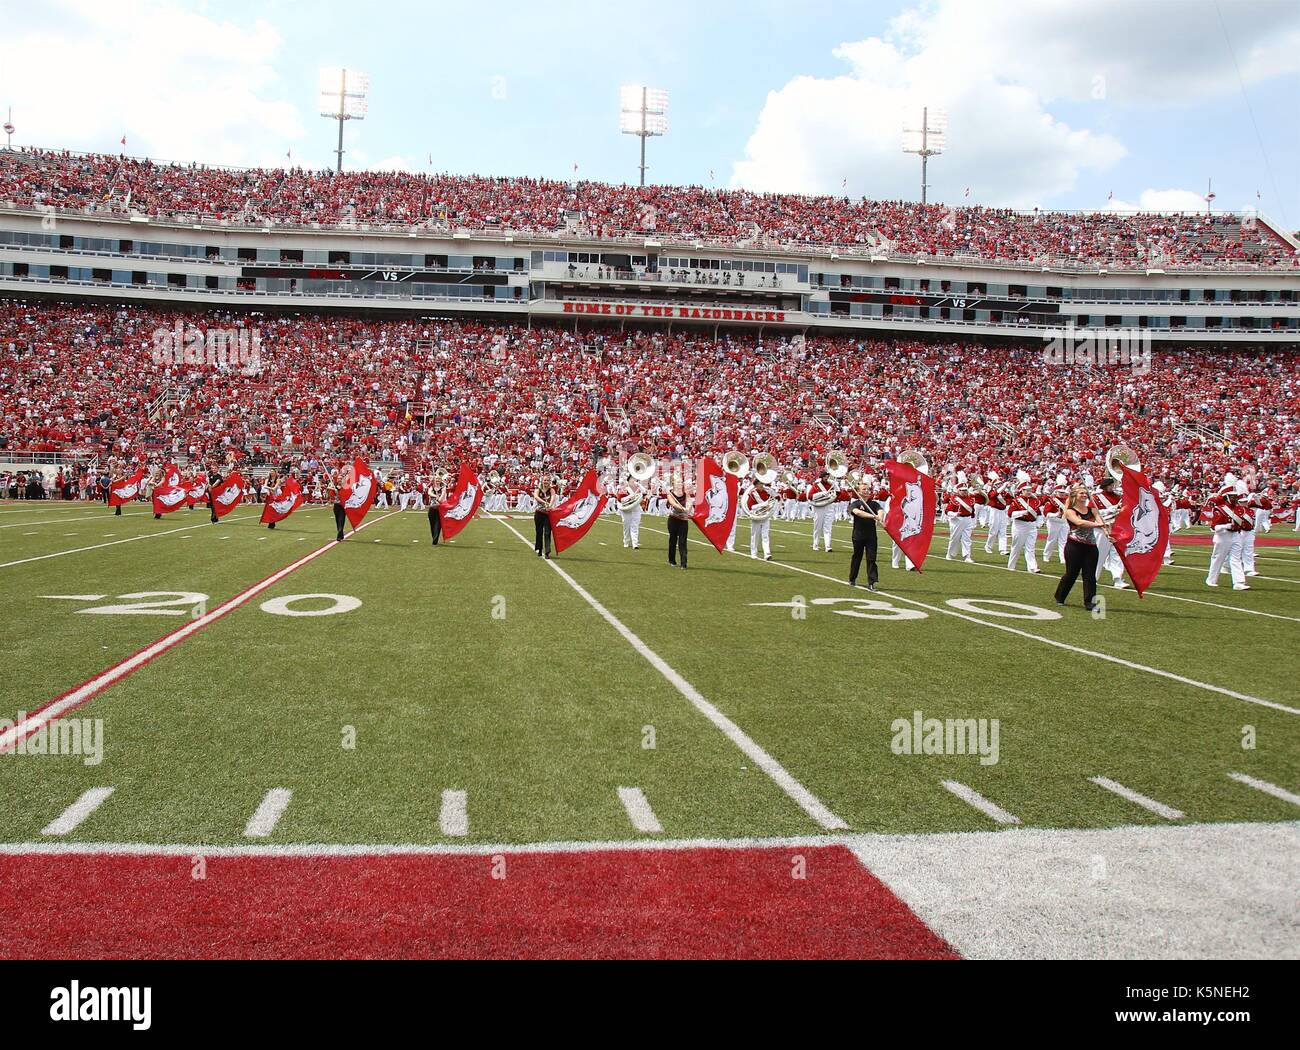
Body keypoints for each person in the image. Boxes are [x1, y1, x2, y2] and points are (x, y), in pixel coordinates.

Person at [1054, 485, 1106, 610]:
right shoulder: (1070, 510)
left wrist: (1108, 533)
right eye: (1081, 493)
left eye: (1085, 493)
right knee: (1071, 574)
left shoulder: (1092, 509)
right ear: (1075, 496)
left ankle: (1090, 603)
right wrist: (1098, 524)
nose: (1084, 495)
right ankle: (1060, 596)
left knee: (1090, 575)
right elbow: (1079, 522)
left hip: (1091, 546)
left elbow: (1101, 521)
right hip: (1074, 546)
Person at [848, 481, 882, 590]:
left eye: (868, 489)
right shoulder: (855, 503)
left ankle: (871, 582)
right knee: (857, 557)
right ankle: (852, 578)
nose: (867, 491)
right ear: (858, 491)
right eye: (864, 489)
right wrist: (873, 516)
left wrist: (879, 516)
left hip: (871, 536)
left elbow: (881, 511)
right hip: (858, 535)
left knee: (871, 558)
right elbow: (857, 512)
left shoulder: (874, 504)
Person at [665, 470, 691, 570]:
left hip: (683, 521)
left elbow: (689, 502)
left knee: (683, 541)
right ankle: (672, 560)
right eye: (678, 482)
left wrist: (687, 509)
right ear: (673, 484)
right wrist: (681, 509)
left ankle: (684, 563)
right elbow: (674, 504)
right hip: (673, 520)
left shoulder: (686, 493)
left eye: (681, 482)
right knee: (673, 540)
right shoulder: (670, 494)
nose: (680, 483)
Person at [533, 474, 557, 558]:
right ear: (542, 481)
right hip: (539, 513)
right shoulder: (538, 489)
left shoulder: (551, 490)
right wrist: (544, 503)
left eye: (547, 480)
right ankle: (539, 549)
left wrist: (549, 505)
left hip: (548, 514)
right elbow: (536, 497)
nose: (546, 482)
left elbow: (553, 497)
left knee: (547, 532)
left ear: (550, 482)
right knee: (539, 532)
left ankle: (547, 552)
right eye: (544, 480)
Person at [427, 471, 448, 546]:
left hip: (440, 508)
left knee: (438, 525)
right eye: (436, 479)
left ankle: (435, 541)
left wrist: (439, 499)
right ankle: (434, 538)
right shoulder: (432, 487)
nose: (438, 480)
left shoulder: (443, 487)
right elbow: (429, 493)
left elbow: (442, 496)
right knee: (432, 524)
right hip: (432, 508)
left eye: (439, 479)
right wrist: (435, 495)